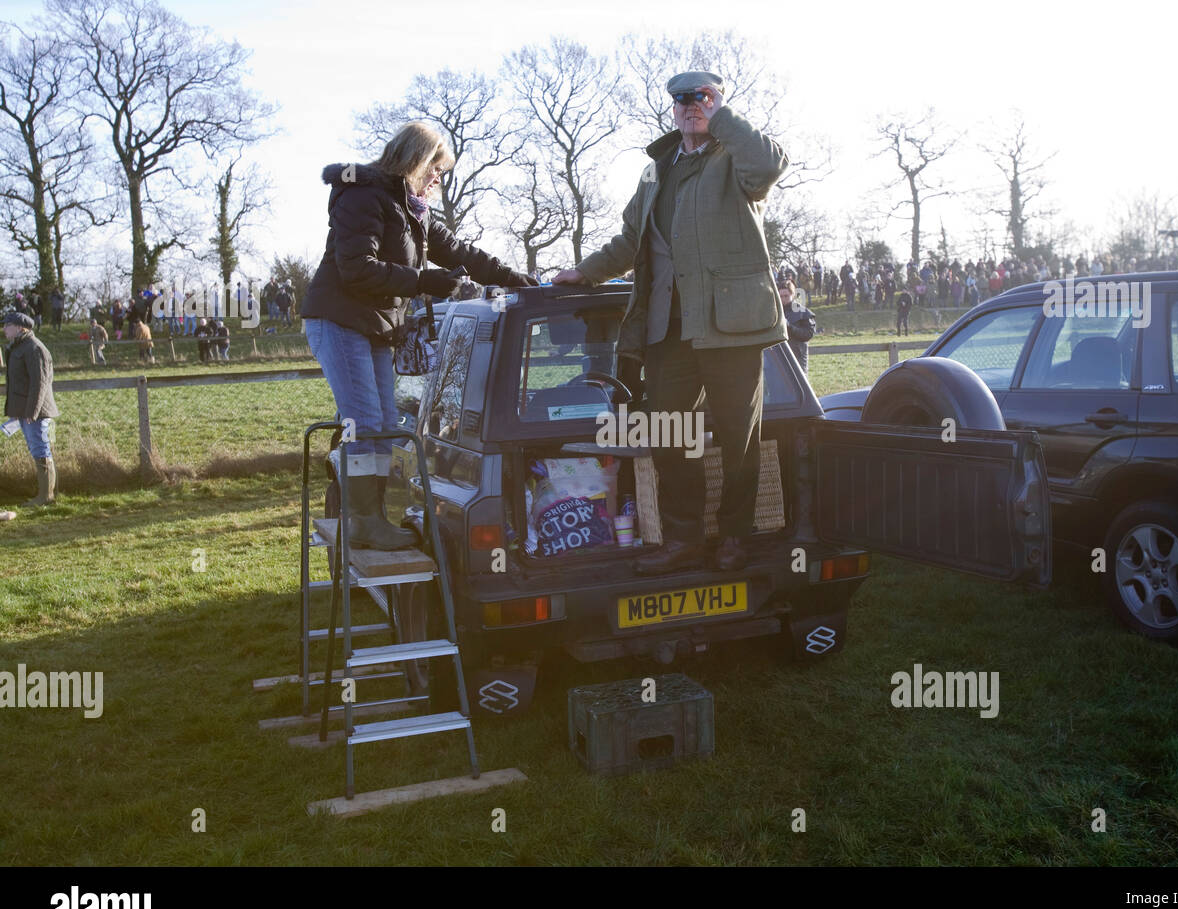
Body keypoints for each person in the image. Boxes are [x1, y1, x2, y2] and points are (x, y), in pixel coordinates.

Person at [553, 70, 789, 574]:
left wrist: (722, 118)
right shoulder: (657, 170)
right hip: (668, 330)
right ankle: (683, 538)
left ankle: (735, 538)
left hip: (732, 329)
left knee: (737, 439)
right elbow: (628, 242)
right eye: (682, 100)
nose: (690, 106)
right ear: (672, 108)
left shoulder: (735, 158)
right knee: (668, 435)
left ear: (719, 103)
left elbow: (771, 165)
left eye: (702, 98)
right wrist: (586, 271)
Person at [301, 120, 537, 551]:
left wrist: (515, 278)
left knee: (386, 425)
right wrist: (426, 281)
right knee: (365, 423)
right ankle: (364, 521)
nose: (437, 179)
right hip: (337, 319)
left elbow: (461, 251)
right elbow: (357, 269)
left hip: (372, 325)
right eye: (436, 169)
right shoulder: (362, 195)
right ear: (417, 160)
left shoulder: (412, 209)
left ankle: (366, 518)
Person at [3, 311, 59, 507]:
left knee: (41, 450)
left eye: (7, 325)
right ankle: (46, 495)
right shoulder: (20, 347)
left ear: (20, 327)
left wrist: (32, 411)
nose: (4, 329)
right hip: (26, 412)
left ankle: (46, 497)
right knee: (38, 450)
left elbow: (40, 383)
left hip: (36, 412)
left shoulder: (34, 348)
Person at [779, 280, 817, 373]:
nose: (783, 299)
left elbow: (808, 334)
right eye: (780, 296)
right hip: (778, 357)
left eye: (786, 296)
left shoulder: (802, 312)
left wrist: (789, 326)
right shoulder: (775, 313)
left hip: (797, 356)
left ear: (792, 294)